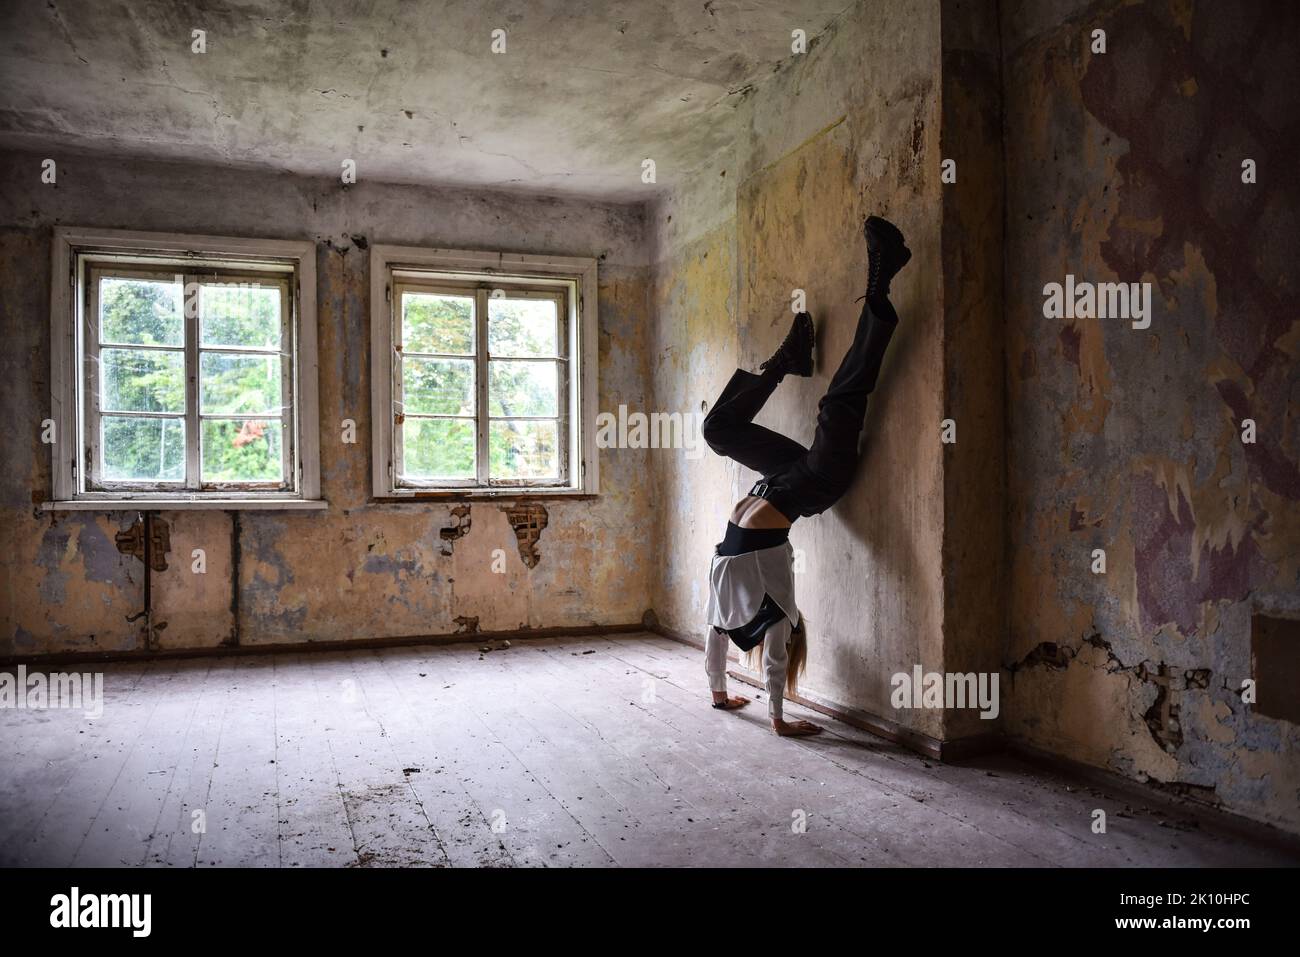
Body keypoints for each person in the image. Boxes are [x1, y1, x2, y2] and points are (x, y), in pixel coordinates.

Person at [700, 215, 911, 736]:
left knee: (717, 429)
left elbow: (712, 644)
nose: (779, 646)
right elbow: (773, 663)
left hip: (779, 475)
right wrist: (778, 721)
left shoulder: (725, 611)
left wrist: (719, 694)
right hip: (816, 481)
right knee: (839, 403)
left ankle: (786, 360)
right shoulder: (779, 611)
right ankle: (881, 286)